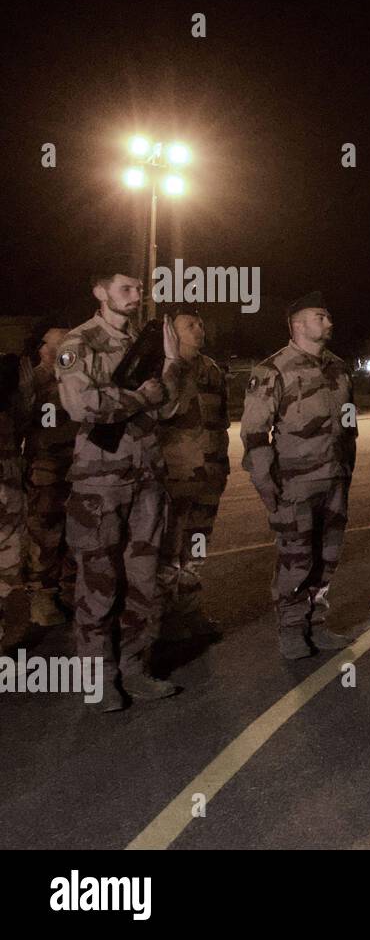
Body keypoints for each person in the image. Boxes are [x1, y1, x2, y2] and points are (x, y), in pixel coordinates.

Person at [57, 266, 193, 709]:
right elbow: (83, 404)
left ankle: (135, 670)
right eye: (126, 288)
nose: (136, 295)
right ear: (99, 292)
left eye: (140, 288)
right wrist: (143, 397)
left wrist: (172, 367)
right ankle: (99, 681)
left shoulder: (146, 342)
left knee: (146, 582)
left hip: (147, 480)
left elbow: (169, 408)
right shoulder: (79, 343)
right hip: (100, 484)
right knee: (99, 586)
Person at [241, 292, 358, 658]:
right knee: (296, 559)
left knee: (328, 556)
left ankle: (317, 623)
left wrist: (347, 471)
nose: (328, 322)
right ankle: (291, 628)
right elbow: (255, 435)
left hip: (334, 478)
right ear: (298, 325)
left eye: (328, 316)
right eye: (320, 316)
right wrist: (266, 486)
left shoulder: (339, 368)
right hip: (295, 483)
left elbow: (350, 424)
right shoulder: (271, 371)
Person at [157, 312, 230, 629]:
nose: (199, 329)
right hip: (175, 477)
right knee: (167, 549)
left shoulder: (211, 369)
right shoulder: (163, 368)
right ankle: (160, 620)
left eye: (201, 324)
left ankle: (189, 612)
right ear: (171, 332)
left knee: (197, 546)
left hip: (210, 476)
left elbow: (221, 422)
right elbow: (158, 412)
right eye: (190, 325)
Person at [22, 323, 77, 627]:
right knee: (44, 535)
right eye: (54, 345)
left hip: (75, 469)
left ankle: (67, 592)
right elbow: (19, 421)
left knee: (73, 535)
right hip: (45, 471)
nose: (58, 350)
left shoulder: (74, 379)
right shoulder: (35, 381)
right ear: (43, 348)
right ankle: (41, 598)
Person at [0, 351, 34, 649]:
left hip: (9, 494)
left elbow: (22, 424)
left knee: (9, 573)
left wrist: (25, 392)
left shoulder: (6, 377)